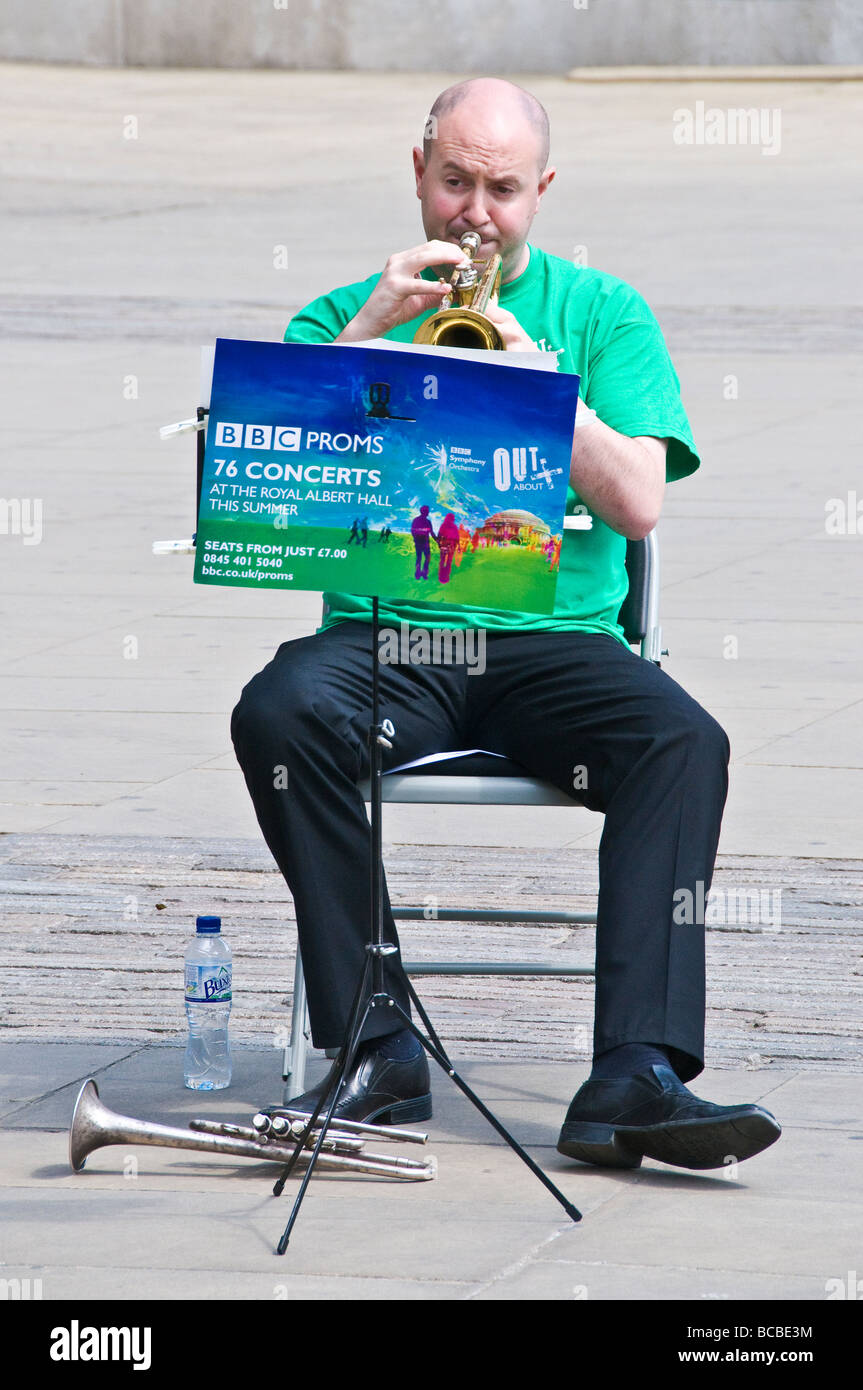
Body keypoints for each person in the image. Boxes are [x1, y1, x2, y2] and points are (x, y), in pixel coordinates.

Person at [231, 77, 780, 1171]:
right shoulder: (342, 312)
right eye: (453, 182)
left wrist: (543, 389)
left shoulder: (601, 312)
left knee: (684, 742)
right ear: (417, 173)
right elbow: (267, 486)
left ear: (541, 191)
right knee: (280, 710)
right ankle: (374, 1041)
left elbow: (635, 503)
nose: (473, 214)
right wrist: (374, 332)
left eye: (500, 190)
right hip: (391, 638)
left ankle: (633, 1071)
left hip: (553, 643)